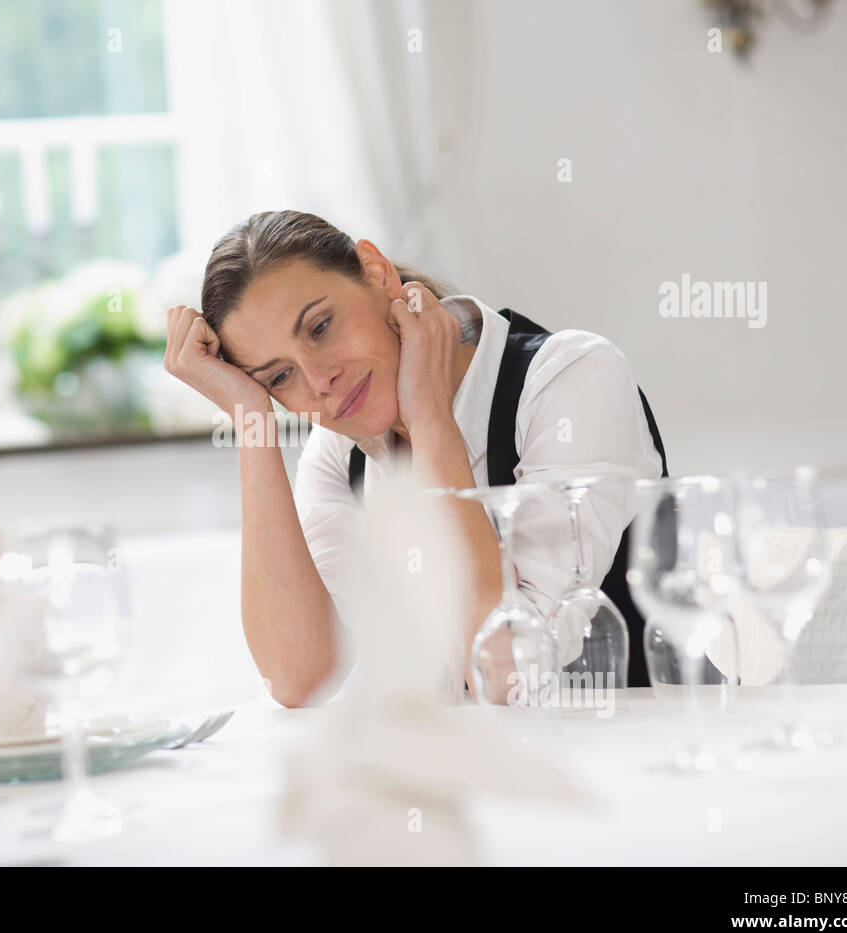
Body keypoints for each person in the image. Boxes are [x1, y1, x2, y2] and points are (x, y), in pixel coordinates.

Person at [164, 210, 665, 706]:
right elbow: (299, 679)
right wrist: (252, 420)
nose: (319, 381)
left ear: (377, 272)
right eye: (278, 378)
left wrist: (429, 419)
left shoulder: (571, 379)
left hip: (630, 765)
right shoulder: (340, 454)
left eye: (320, 327)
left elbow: (507, 674)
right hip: (477, 775)